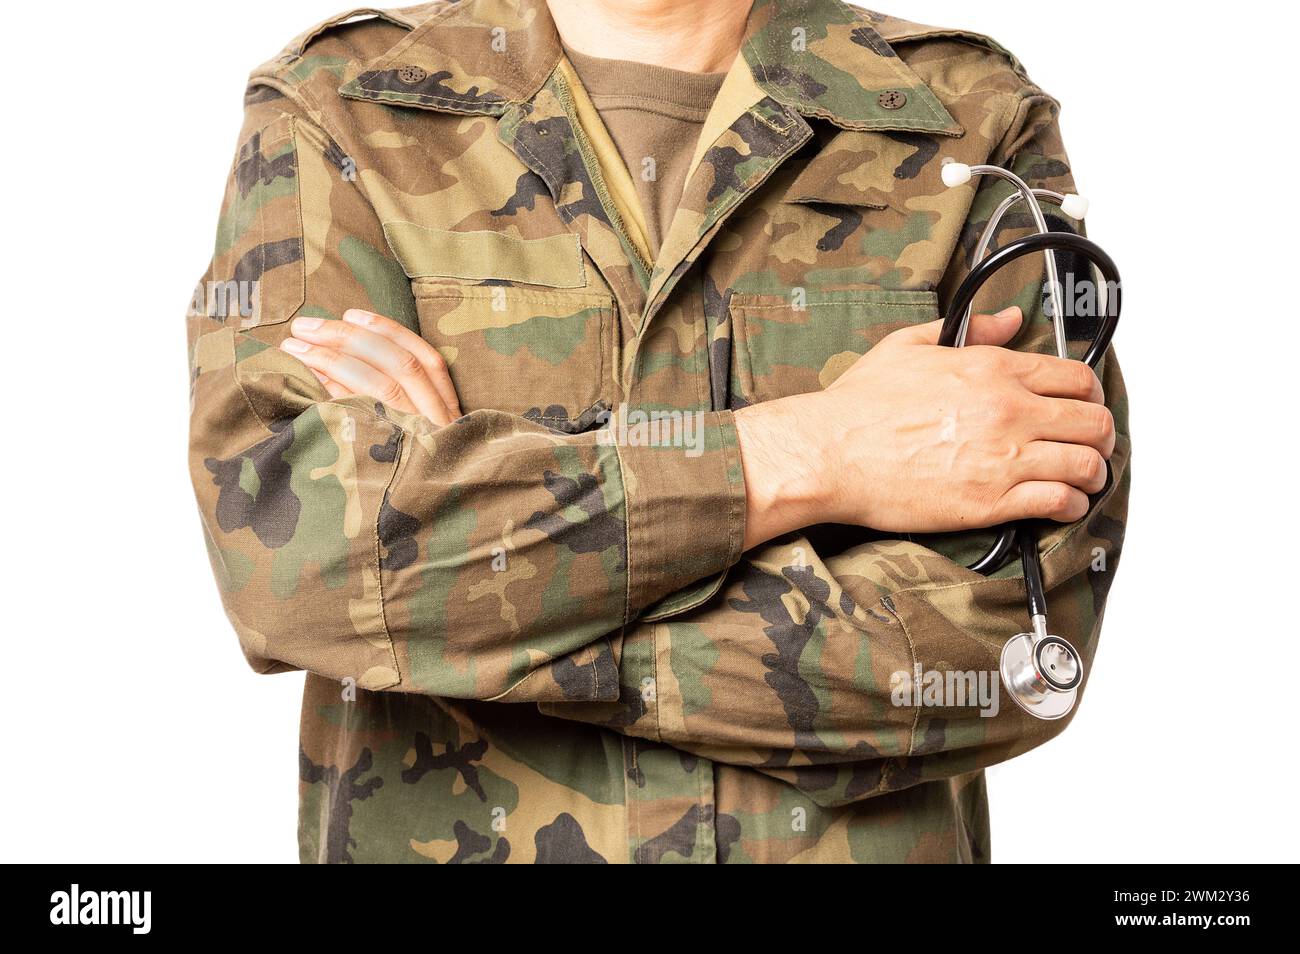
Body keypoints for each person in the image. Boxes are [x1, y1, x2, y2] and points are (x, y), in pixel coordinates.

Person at [186, 0, 1128, 863]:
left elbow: (1016, 650)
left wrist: (477, 596)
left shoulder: (967, 119)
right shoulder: (342, 107)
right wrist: (813, 453)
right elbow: (294, 565)